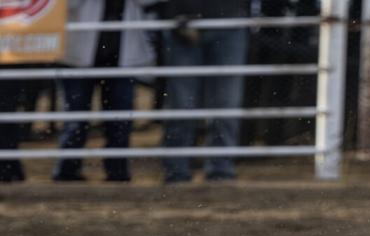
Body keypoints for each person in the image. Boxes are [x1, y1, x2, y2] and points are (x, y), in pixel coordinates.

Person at [152, 0, 251, 183]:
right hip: (182, 22)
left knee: (225, 103)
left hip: (228, 20)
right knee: (182, 104)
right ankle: (178, 169)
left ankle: (219, 168)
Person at [55, 0, 153, 182]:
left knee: (120, 120)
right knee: (75, 119)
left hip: (123, 58)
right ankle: (67, 171)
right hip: (78, 57)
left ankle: (117, 172)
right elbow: (65, 5)